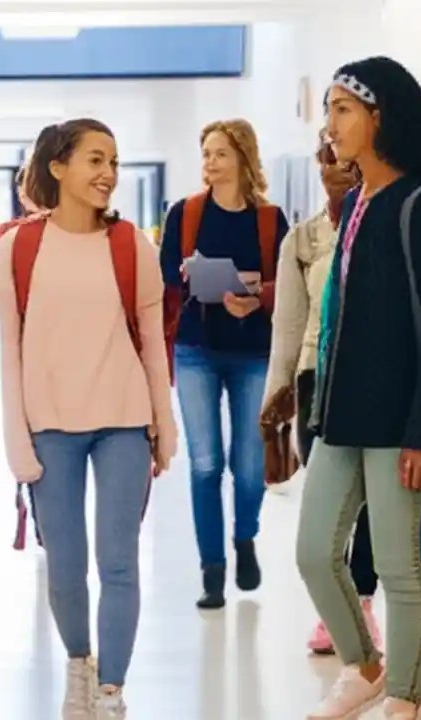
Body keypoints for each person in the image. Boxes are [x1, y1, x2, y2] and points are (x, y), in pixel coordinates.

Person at [297, 56, 421, 720]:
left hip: (400, 421)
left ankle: (404, 695)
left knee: (397, 567)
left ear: (380, 117)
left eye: (343, 109)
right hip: (341, 417)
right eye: (329, 109)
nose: (331, 123)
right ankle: (365, 666)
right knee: (314, 553)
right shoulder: (354, 205)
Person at [0, 118, 176, 720]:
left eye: (114, 162)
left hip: (123, 420)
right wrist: (15, 438)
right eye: (95, 160)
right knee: (65, 567)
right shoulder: (18, 247)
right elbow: (10, 349)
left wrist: (164, 424)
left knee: (118, 561)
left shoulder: (132, 246)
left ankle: (112, 693)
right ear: (58, 167)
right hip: (49, 426)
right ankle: (80, 665)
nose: (108, 174)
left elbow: (153, 345)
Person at [261, 131, 421, 656]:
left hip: (383, 382)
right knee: (331, 510)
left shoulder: (398, 222)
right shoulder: (303, 240)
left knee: (381, 513)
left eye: (347, 161)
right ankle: (341, 606)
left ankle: (362, 604)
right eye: (328, 160)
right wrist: (275, 398)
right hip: (318, 379)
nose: (338, 169)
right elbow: (288, 324)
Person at [160, 119, 289, 609]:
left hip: (253, 349)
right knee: (205, 462)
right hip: (196, 347)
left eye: (220, 153)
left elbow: (289, 283)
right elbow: (167, 274)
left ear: (242, 158)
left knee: (250, 464)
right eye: (206, 154)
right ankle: (211, 570)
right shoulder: (186, 213)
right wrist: (187, 273)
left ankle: (245, 537)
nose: (210, 162)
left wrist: (256, 296)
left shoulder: (269, 220)